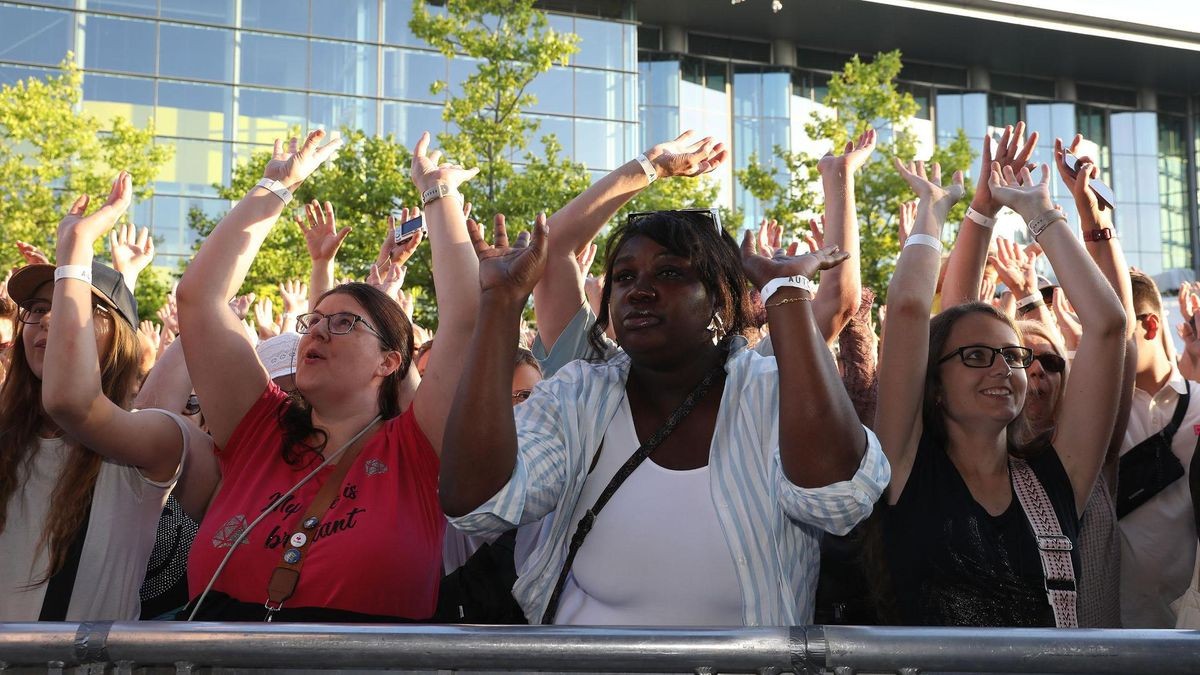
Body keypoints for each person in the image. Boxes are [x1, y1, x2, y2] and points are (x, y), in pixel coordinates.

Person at [440, 207, 889, 626]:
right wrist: (500, 301)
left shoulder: (770, 391)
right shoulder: (576, 397)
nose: (640, 290)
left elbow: (838, 500)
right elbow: (478, 503)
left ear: (717, 298)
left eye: (670, 272)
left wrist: (784, 292)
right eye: (624, 276)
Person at [177, 130, 480, 621]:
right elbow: (199, 300)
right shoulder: (258, 429)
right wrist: (274, 187)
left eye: (343, 323)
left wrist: (439, 193)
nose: (317, 332)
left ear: (389, 361)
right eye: (312, 321)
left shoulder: (418, 446)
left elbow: (466, 315)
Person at [875, 157, 1126, 627]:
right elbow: (909, 308)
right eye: (975, 356)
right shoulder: (905, 465)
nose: (1002, 369)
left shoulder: (1057, 476)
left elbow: (1109, 326)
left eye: (1013, 356)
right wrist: (933, 208)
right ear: (935, 385)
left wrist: (1039, 211)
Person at [0, 172, 198, 620]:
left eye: (73, 309)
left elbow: (72, 401)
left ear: (121, 337)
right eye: (37, 310)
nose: (48, 321)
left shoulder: (151, 438)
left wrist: (76, 252)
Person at [1118, 270, 1200, 627]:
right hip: (1115, 625)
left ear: (1150, 327)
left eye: (1112, 331)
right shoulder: (1094, 412)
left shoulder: (1198, 403)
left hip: (1190, 622)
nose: (1099, 343)